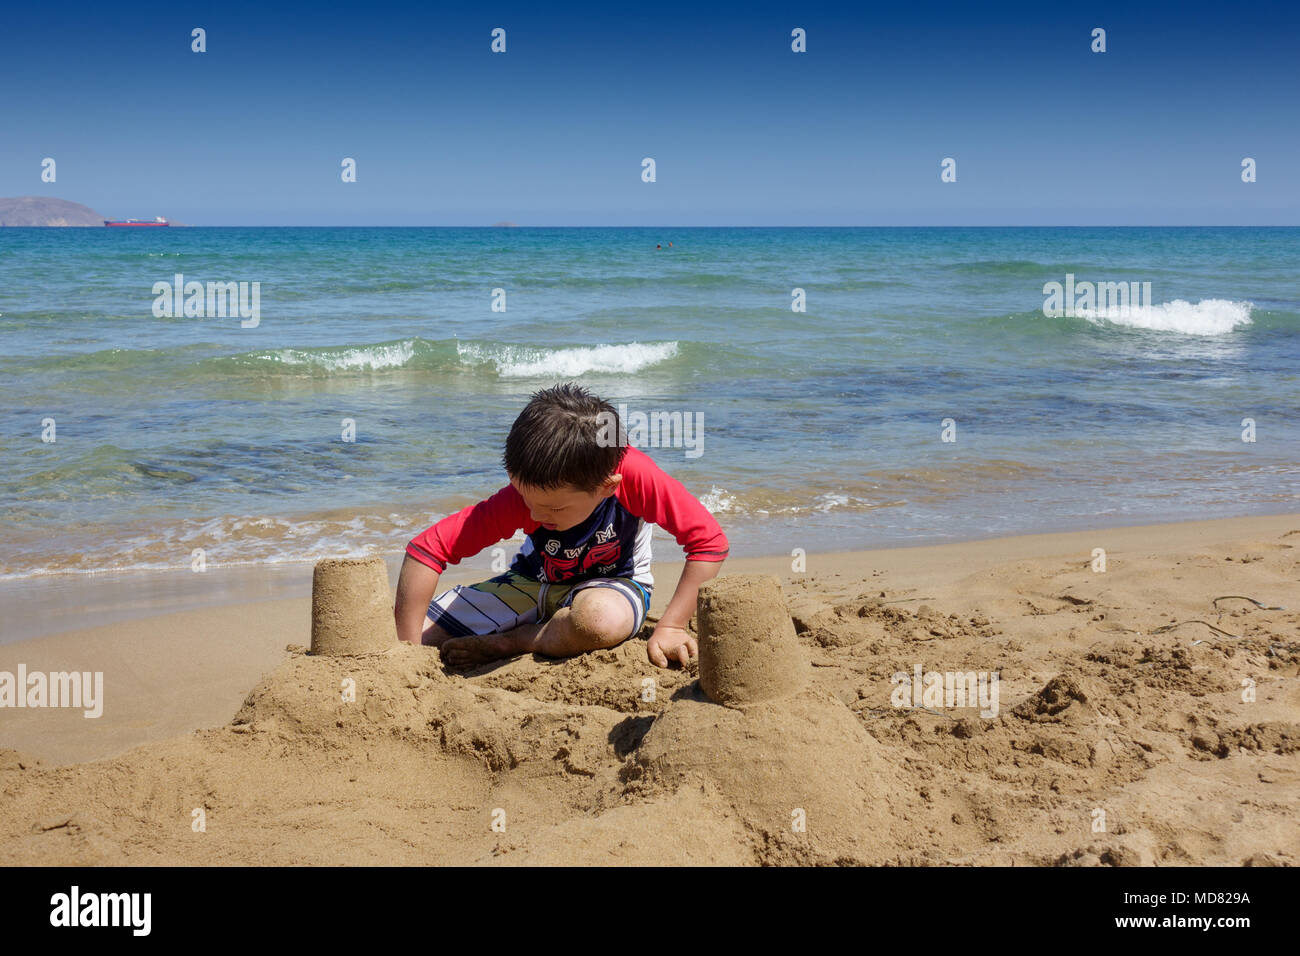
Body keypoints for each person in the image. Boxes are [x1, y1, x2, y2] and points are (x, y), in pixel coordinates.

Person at [394, 383, 728, 669]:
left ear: (606, 487)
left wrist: (671, 626)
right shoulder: (531, 493)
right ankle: (531, 626)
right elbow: (426, 550)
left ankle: (520, 640)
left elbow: (708, 542)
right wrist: (406, 651)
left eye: (553, 508)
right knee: (420, 632)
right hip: (529, 582)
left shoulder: (636, 479)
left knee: (597, 622)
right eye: (526, 500)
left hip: (613, 585)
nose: (535, 515)